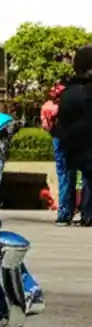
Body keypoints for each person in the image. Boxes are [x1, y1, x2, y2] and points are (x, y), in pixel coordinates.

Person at [53, 45, 92, 227]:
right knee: (88, 178)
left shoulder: (68, 92)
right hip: (87, 140)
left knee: (66, 176)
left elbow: (62, 117)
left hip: (68, 139)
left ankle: (65, 213)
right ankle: (87, 213)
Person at [42, 82, 72, 224]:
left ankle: (64, 212)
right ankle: (75, 210)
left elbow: (46, 126)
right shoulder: (71, 103)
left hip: (57, 137)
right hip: (72, 138)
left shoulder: (47, 106)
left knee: (63, 175)